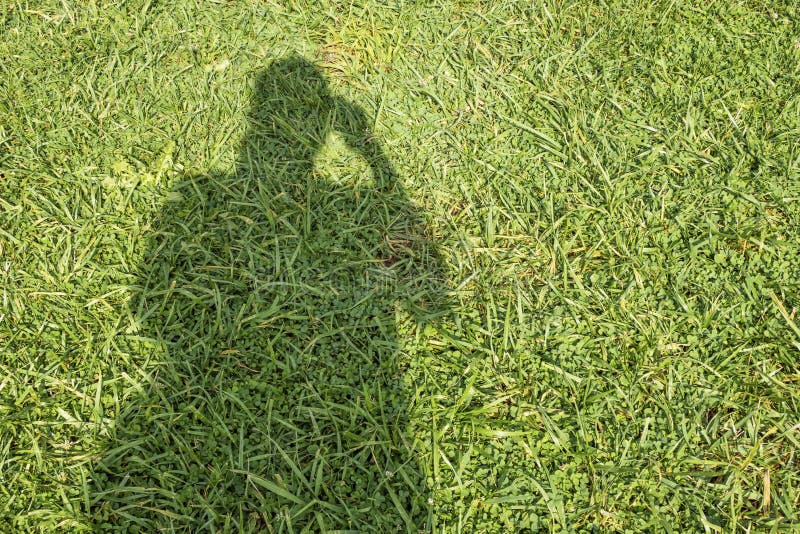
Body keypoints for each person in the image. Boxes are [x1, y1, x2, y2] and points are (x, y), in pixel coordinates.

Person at [92, 55, 448, 531]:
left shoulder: (201, 188)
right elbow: (431, 303)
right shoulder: (342, 199)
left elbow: (146, 309)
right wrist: (379, 164)